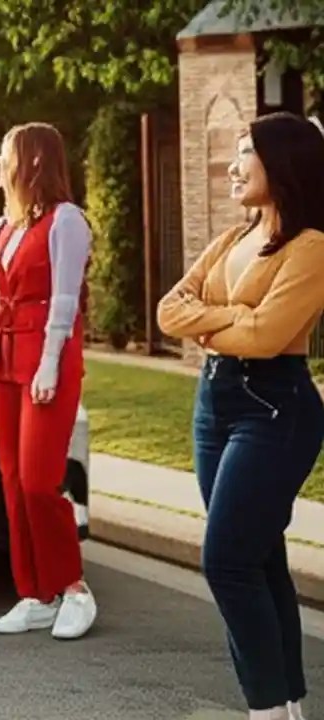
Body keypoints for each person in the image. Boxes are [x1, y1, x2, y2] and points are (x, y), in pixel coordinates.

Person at [157, 111, 324, 720]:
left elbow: (268, 335)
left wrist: (218, 323)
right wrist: (235, 324)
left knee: (225, 561)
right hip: (216, 403)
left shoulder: (312, 248)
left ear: (281, 162)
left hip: (276, 408)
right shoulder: (233, 238)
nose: (231, 163)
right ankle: (290, 707)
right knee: (258, 559)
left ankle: (264, 710)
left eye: (245, 150)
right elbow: (169, 310)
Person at [0, 122, 97, 641]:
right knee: (13, 481)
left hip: (45, 359)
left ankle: (73, 589)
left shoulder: (67, 222)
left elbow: (65, 299)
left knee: (41, 481)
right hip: (3, 359)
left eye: (5, 155)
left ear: (33, 162)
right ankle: (34, 593)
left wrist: (49, 363)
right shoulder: (6, 226)